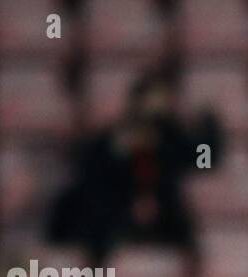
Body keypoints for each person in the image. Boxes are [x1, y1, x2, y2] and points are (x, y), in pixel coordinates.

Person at [47, 71, 220, 263]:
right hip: (118, 208)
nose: (153, 111)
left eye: (160, 104)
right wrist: (118, 154)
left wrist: (208, 125)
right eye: (148, 103)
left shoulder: (172, 138)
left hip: (163, 210)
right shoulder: (116, 138)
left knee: (184, 227)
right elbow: (89, 168)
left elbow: (204, 160)